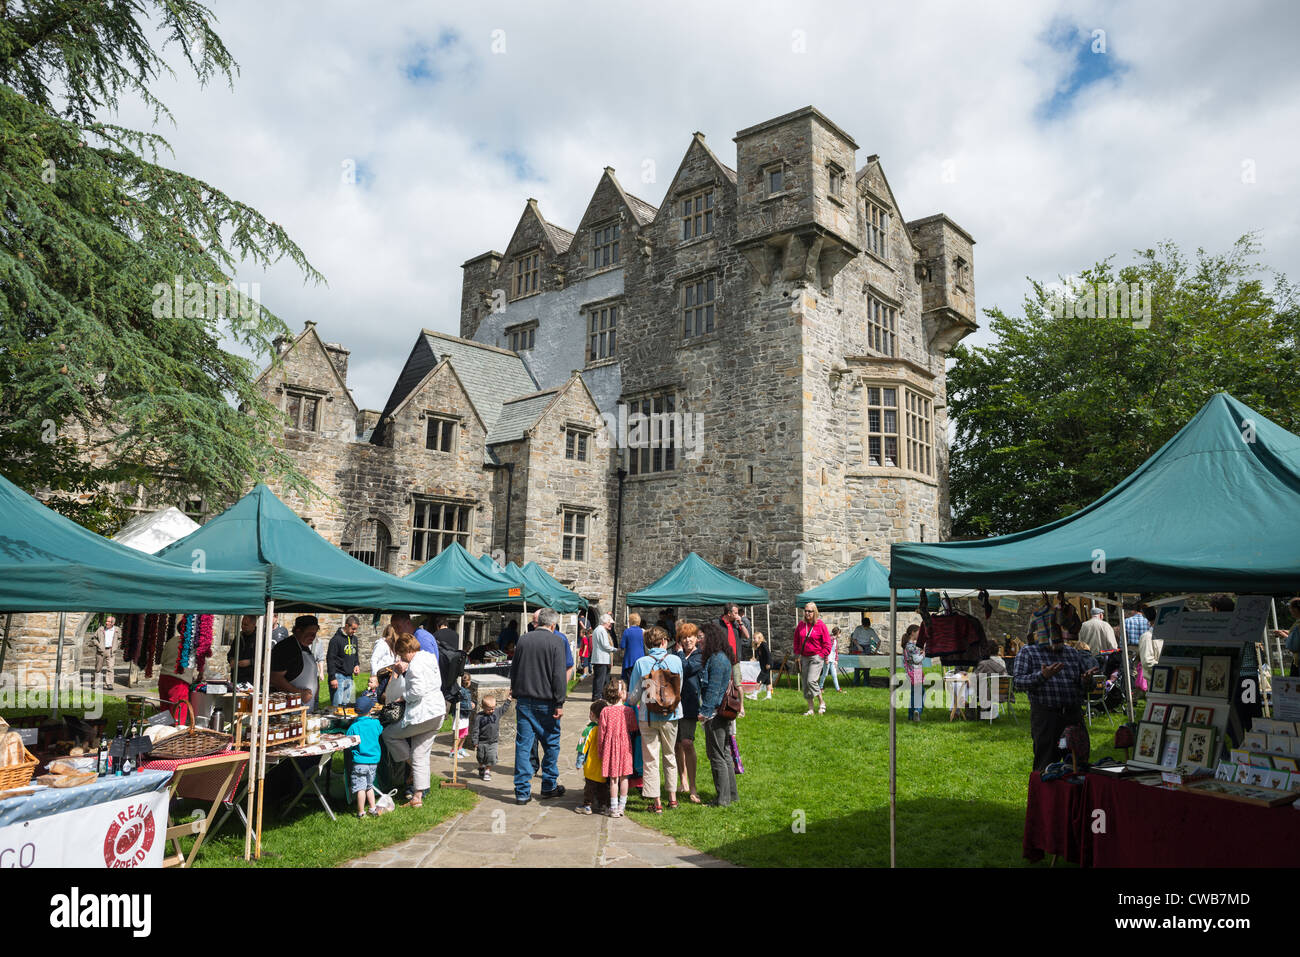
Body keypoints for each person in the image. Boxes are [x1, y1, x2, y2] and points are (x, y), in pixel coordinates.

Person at [1012, 623, 1098, 771]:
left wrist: (1087, 681)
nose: (1058, 644)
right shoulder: (1028, 651)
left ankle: (1075, 793)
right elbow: (1017, 682)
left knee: (1079, 764)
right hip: (1047, 717)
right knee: (1045, 763)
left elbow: (1086, 685)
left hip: (1073, 715)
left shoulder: (1072, 653)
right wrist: (1042, 676)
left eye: (1060, 640)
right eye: (1054, 640)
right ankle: (1045, 793)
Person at [510, 607, 568, 805]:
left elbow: (514, 668)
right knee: (551, 743)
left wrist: (515, 690)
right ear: (553, 625)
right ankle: (549, 785)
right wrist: (560, 702)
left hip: (525, 700)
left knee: (524, 746)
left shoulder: (524, 639)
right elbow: (559, 676)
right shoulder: (556, 641)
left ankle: (522, 791)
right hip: (547, 702)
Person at [381, 632, 445, 808]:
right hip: (438, 712)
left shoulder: (415, 665)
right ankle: (417, 797)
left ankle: (412, 769)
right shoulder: (429, 657)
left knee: (389, 735)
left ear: (407, 650)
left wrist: (403, 697)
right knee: (420, 754)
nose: (402, 658)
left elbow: (417, 692)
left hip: (423, 714)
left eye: (402, 654)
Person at [627, 625, 683, 813]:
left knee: (650, 758)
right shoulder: (675, 660)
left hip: (648, 715)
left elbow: (634, 694)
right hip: (672, 714)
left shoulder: (641, 663)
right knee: (670, 755)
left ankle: (656, 801)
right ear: (664, 641)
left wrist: (629, 701)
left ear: (647, 643)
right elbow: (678, 689)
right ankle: (673, 798)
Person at [698, 622, 738, 807]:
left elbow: (713, 690)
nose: (699, 641)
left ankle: (723, 799)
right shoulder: (721, 657)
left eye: (701, 637)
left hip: (715, 714)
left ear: (710, 638)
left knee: (717, 756)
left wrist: (704, 713)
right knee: (725, 754)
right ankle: (731, 795)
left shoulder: (716, 659)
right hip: (722, 712)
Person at [672, 623, 704, 804]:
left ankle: (693, 786)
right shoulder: (677, 655)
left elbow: (686, 669)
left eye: (690, 637)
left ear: (696, 638)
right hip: (675, 704)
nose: (687, 640)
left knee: (687, 743)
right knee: (677, 745)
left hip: (690, 705)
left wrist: (678, 655)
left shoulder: (699, 656)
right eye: (684, 637)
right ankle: (682, 781)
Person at [598, 680, 635, 817]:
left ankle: (613, 808)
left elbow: (601, 733)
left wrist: (601, 751)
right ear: (621, 693)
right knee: (624, 778)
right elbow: (633, 727)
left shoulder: (605, 711)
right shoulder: (628, 711)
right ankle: (621, 807)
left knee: (613, 779)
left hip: (610, 747)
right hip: (625, 747)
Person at [269, 615, 321, 710]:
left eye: (315, 633)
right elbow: (275, 678)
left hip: (307, 706)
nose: (313, 637)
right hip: (289, 708)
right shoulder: (286, 648)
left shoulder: (305, 647)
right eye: (309, 633)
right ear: (298, 630)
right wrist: (299, 693)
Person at [346, 695, 383, 818]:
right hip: (373, 761)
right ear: (371, 710)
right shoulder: (376, 723)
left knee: (360, 788)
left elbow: (349, 742)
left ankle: (361, 812)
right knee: (369, 786)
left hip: (360, 762)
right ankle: (372, 808)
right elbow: (380, 730)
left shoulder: (354, 727)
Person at [793, 602, 832, 716]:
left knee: (811, 681)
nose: (807, 613)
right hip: (804, 657)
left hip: (816, 656)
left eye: (809, 611)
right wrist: (797, 652)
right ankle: (811, 709)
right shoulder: (801, 625)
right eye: (805, 611)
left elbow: (827, 644)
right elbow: (796, 640)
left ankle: (821, 702)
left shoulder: (821, 625)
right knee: (805, 684)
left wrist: (822, 655)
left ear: (815, 612)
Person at [158, 618, 200, 723]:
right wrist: (201, 675)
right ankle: (176, 735)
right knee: (178, 712)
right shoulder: (191, 644)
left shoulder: (171, 641)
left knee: (165, 711)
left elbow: (163, 660)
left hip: (164, 677)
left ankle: (163, 734)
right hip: (178, 680)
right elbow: (201, 663)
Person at [468, 691, 511, 781]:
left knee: (491, 757)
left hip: (493, 742)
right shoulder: (479, 717)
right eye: (489, 709)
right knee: (481, 757)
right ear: (483, 707)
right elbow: (476, 730)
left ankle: (487, 771)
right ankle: (481, 767)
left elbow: (504, 708)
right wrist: (475, 741)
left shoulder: (497, 712)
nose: (492, 710)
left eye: (493, 708)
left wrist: (509, 699)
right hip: (481, 742)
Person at [575, 700, 608, 815]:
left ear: (592, 715)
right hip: (604, 766)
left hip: (591, 765)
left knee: (589, 787)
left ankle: (587, 805)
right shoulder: (607, 729)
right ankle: (603, 805)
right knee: (603, 787)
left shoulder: (589, 730)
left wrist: (579, 762)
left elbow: (582, 747)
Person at [327, 615, 362, 708]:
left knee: (348, 705)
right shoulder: (335, 640)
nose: (354, 631)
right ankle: (335, 723)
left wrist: (356, 665)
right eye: (353, 629)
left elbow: (355, 655)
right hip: (338, 676)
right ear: (346, 626)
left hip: (349, 676)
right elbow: (330, 659)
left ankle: (346, 723)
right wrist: (332, 677)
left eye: (356, 629)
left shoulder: (354, 639)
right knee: (337, 706)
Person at [1271, 597, 1300, 677]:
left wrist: (1283, 635)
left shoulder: (1298, 625)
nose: (1290, 611)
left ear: (1296, 609)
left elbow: (1294, 646)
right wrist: (1288, 632)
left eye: (1291, 608)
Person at [591, 613, 616, 701]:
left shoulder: (598, 630)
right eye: (610, 623)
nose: (611, 625)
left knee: (599, 678)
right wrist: (615, 649)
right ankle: (597, 696)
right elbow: (605, 645)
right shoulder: (601, 630)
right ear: (605, 622)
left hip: (600, 658)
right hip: (601, 659)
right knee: (600, 679)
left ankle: (598, 695)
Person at [227, 615, 257, 685]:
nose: (243, 626)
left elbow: (265, 660)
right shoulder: (239, 637)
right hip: (237, 678)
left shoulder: (260, 637)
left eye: (246, 625)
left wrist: (250, 662)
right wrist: (231, 660)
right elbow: (230, 654)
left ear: (253, 624)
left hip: (252, 679)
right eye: (242, 624)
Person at [1137, 607, 1162, 692]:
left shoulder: (1164, 636)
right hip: (1155, 682)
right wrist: (1167, 669)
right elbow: (1147, 662)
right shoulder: (1147, 637)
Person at [849, 614, 879, 686]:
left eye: (867, 626)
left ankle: (866, 683)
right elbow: (854, 638)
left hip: (867, 647)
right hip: (858, 646)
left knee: (866, 666)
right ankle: (856, 683)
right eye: (865, 626)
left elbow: (878, 641)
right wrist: (858, 646)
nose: (866, 627)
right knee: (857, 666)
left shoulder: (871, 630)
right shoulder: (858, 628)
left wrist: (875, 651)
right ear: (862, 624)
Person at [903, 624, 924, 722]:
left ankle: (910, 715)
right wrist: (923, 655)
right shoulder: (911, 646)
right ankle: (917, 711)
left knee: (912, 694)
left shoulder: (907, 645)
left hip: (909, 672)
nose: (919, 635)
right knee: (920, 693)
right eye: (918, 633)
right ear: (912, 633)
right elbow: (916, 660)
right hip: (916, 672)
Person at [90, 615, 118, 687]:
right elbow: (94, 638)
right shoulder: (101, 629)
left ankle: (109, 684)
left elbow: (120, 639)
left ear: (112, 623)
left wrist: (116, 646)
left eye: (108, 621)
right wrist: (98, 645)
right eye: (106, 621)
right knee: (98, 668)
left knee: (110, 668)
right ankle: (96, 683)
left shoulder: (117, 630)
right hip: (101, 651)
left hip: (111, 651)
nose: (106, 622)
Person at [450, 672, 473, 758]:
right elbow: (460, 703)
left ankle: (460, 748)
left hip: (465, 715)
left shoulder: (467, 691)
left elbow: (466, 702)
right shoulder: (460, 691)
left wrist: (471, 704)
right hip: (460, 715)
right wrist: (470, 705)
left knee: (464, 733)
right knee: (459, 734)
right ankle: (453, 751)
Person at [619, 613, 645, 684]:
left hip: (630, 659)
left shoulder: (627, 631)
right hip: (641, 658)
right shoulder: (643, 632)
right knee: (639, 681)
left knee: (630, 681)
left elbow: (622, 645)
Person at [747, 632, 772, 700]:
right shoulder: (758, 646)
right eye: (753, 638)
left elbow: (768, 654)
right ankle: (769, 696)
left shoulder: (763, 644)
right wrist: (754, 658)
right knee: (767, 681)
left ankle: (754, 695)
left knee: (759, 680)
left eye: (755, 638)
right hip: (763, 665)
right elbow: (760, 656)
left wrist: (768, 663)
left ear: (760, 638)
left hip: (766, 665)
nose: (754, 639)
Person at [826, 626, 844, 693]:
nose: (840, 635)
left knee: (834, 674)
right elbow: (827, 650)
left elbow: (835, 651)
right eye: (840, 633)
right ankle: (820, 687)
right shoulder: (830, 639)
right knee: (824, 674)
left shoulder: (835, 640)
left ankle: (838, 689)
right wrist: (826, 659)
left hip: (832, 659)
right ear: (837, 633)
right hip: (828, 659)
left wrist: (836, 660)